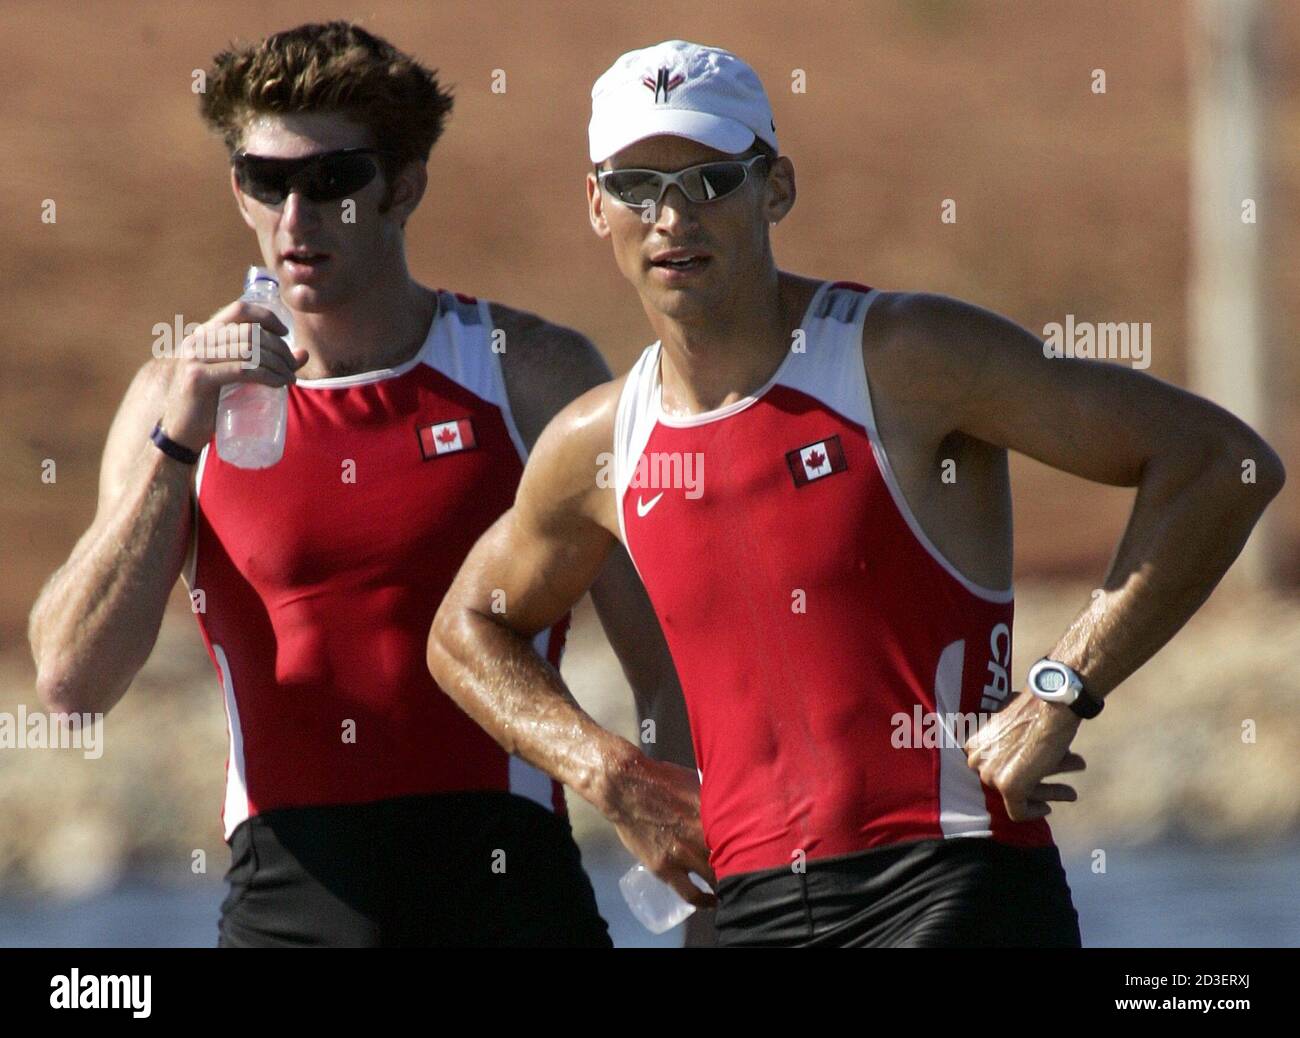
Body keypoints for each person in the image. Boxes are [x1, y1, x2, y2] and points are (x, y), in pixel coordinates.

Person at [426, 39, 1286, 947]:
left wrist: (1062, 688)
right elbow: (463, 632)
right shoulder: (598, 442)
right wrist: (613, 776)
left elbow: (1218, 462)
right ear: (596, 204)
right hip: (751, 910)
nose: (672, 216)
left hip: (950, 886)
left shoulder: (905, 357)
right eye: (638, 184)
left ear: (776, 188)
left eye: (712, 180)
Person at [28, 21, 700, 948]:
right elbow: (70, 685)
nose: (296, 219)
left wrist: (705, 886)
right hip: (287, 910)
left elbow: (668, 655)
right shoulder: (178, 399)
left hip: (510, 905)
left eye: (332, 181)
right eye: (268, 182)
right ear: (240, 190)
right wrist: (173, 441)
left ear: (403, 188)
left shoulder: (529, 374)